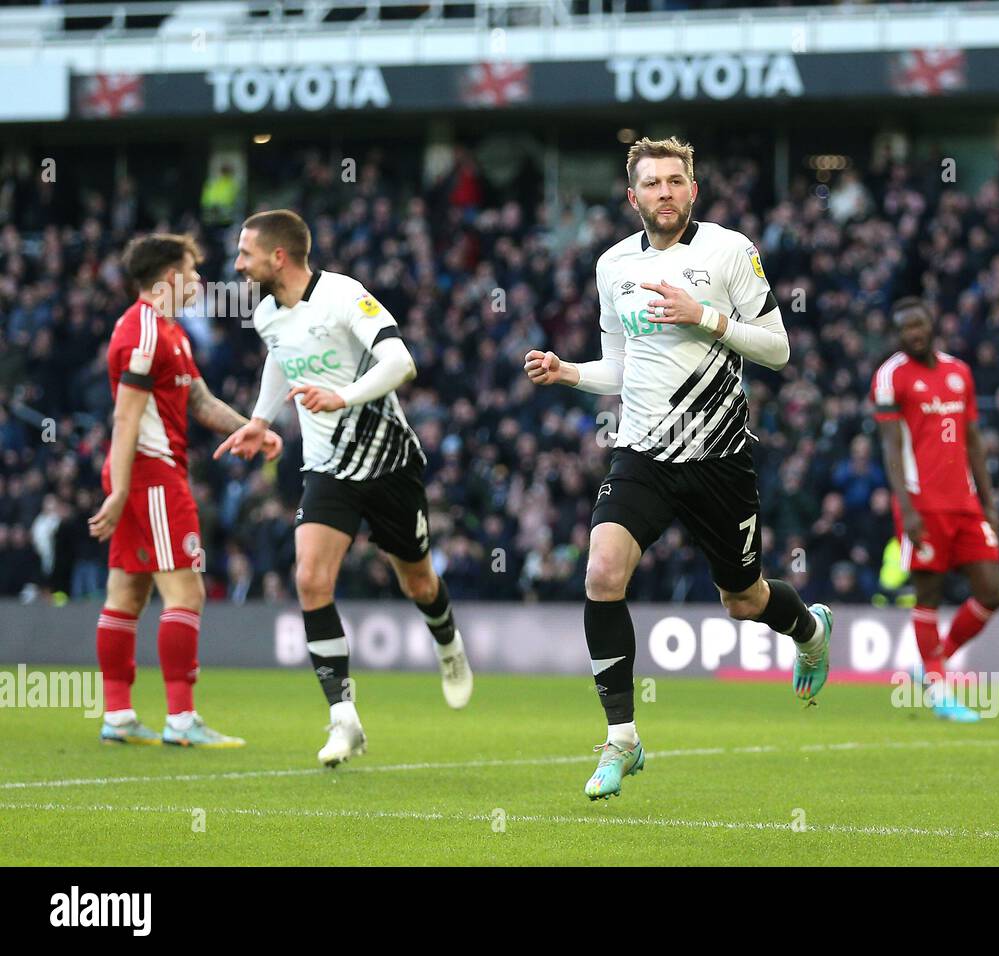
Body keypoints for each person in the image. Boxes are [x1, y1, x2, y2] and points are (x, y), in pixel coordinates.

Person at [523, 137, 832, 801]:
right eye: (651, 184)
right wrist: (569, 372)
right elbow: (622, 365)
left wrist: (707, 318)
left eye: (674, 181)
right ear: (632, 196)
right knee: (603, 573)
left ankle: (809, 629)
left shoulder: (729, 250)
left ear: (694, 189)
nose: (664, 192)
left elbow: (777, 349)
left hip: (720, 456)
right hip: (642, 453)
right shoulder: (613, 267)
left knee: (743, 599)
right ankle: (622, 739)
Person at [215, 209, 473, 767]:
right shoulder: (266, 316)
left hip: (389, 464)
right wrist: (259, 420)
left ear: (278, 257)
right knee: (310, 579)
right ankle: (344, 718)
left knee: (419, 581)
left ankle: (449, 645)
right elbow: (280, 363)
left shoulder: (343, 295)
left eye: (245, 254)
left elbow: (401, 362)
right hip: (327, 467)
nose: (238, 264)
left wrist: (344, 396)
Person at [90, 233, 278, 748]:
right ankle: (181, 719)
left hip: (145, 476)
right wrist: (120, 488)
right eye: (193, 271)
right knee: (187, 591)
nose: (199, 280)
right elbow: (126, 417)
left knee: (127, 593)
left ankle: (120, 717)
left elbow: (199, 400)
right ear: (170, 275)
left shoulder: (168, 332)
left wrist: (252, 428)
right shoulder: (144, 331)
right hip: (150, 475)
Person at [871, 298, 999, 721]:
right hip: (922, 504)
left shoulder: (959, 372)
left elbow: (974, 441)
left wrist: (988, 501)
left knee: (991, 592)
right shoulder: (891, 376)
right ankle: (939, 688)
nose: (913, 333)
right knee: (928, 593)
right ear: (897, 335)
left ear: (932, 324)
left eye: (918, 324)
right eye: (905, 328)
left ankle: (932, 665)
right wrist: (905, 509)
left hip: (964, 503)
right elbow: (891, 448)